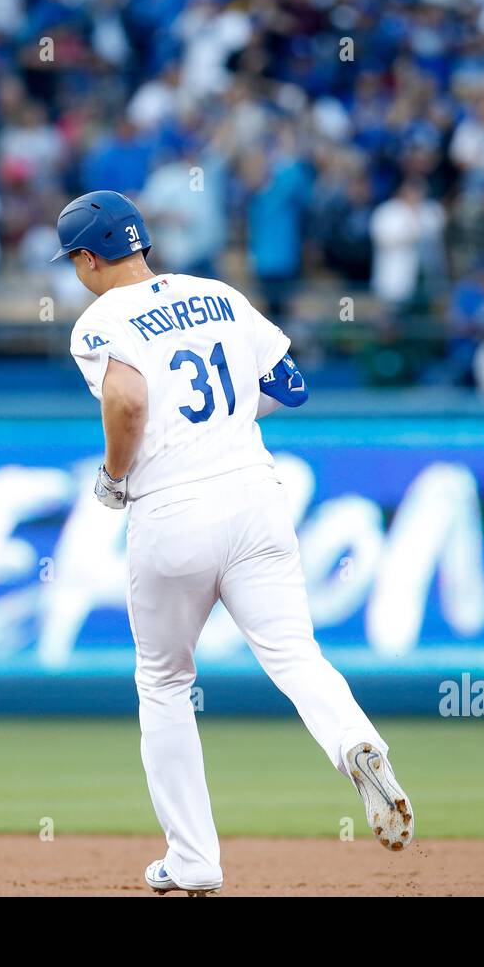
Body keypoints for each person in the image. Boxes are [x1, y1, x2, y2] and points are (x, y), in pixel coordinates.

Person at [56, 191, 412, 895]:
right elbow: (292, 384)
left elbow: (126, 401)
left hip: (171, 510)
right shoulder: (214, 293)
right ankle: (354, 742)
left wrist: (113, 475)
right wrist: (225, 418)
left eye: (74, 261)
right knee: (294, 652)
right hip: (255, 496)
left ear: (89, 258)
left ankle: (193, 859)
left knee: (164, 682)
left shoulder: (100, 319)